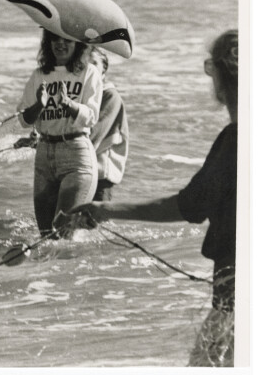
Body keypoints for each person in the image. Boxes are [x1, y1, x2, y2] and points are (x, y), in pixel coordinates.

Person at [75, 30, 239, 367]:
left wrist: (106, 210)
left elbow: (187, 206)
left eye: (211, 68)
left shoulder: (235, 141)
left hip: (236, 295)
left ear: (223, 78)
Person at [15, 29, 102, 239]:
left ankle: (76, 269)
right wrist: (39, 105)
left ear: (78, 45)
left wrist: (68, 104)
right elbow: (23, 119)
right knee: (45, 236)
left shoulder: (88, 72)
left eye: (67, 40)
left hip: (76, 155)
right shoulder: (39, 75)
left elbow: (91, 116)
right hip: (45, 155)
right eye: (55, 40)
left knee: (63, 234)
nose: (60, 44)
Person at [87, 48, 128, 201]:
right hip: (79, 170)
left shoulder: (109, 95)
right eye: (84, 64)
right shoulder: (83, 95)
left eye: (94, 64)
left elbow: (93, 136)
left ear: (103, 70)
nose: (88, 68)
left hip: (100, 175)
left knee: (92, 222)